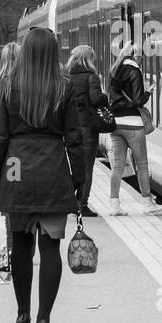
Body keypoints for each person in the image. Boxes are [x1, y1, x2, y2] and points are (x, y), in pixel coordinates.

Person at [0, 27, 83, 323]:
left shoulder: (9, 85)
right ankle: (43, 319)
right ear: (53, 53)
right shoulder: (63, 87)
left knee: (21, 247)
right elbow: (75, 139)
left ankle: (22, 314)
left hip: (15, 168)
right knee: (50, 249)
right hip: (52, 168)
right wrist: (80, 182)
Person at [107, 41, 162, 216]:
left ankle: (115, 205)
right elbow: (138, 100)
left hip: (116, 123)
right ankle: (147, 202)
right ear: (137, 56)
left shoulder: (114, 71)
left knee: (117, 166)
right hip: (132, 123)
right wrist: (149, 91)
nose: (141, 60)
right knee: (142, 164)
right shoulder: (135, 71)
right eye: (141, 57)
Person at [65, 43, 109, 217]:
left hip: (70, 128)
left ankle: (70, 201)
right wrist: (105, 97)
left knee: (75, 165)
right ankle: (82, 204)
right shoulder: (91, 77)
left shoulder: (66, 76)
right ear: (88, 59)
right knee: (87, 168)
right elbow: (96, 98)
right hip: (87, 129)